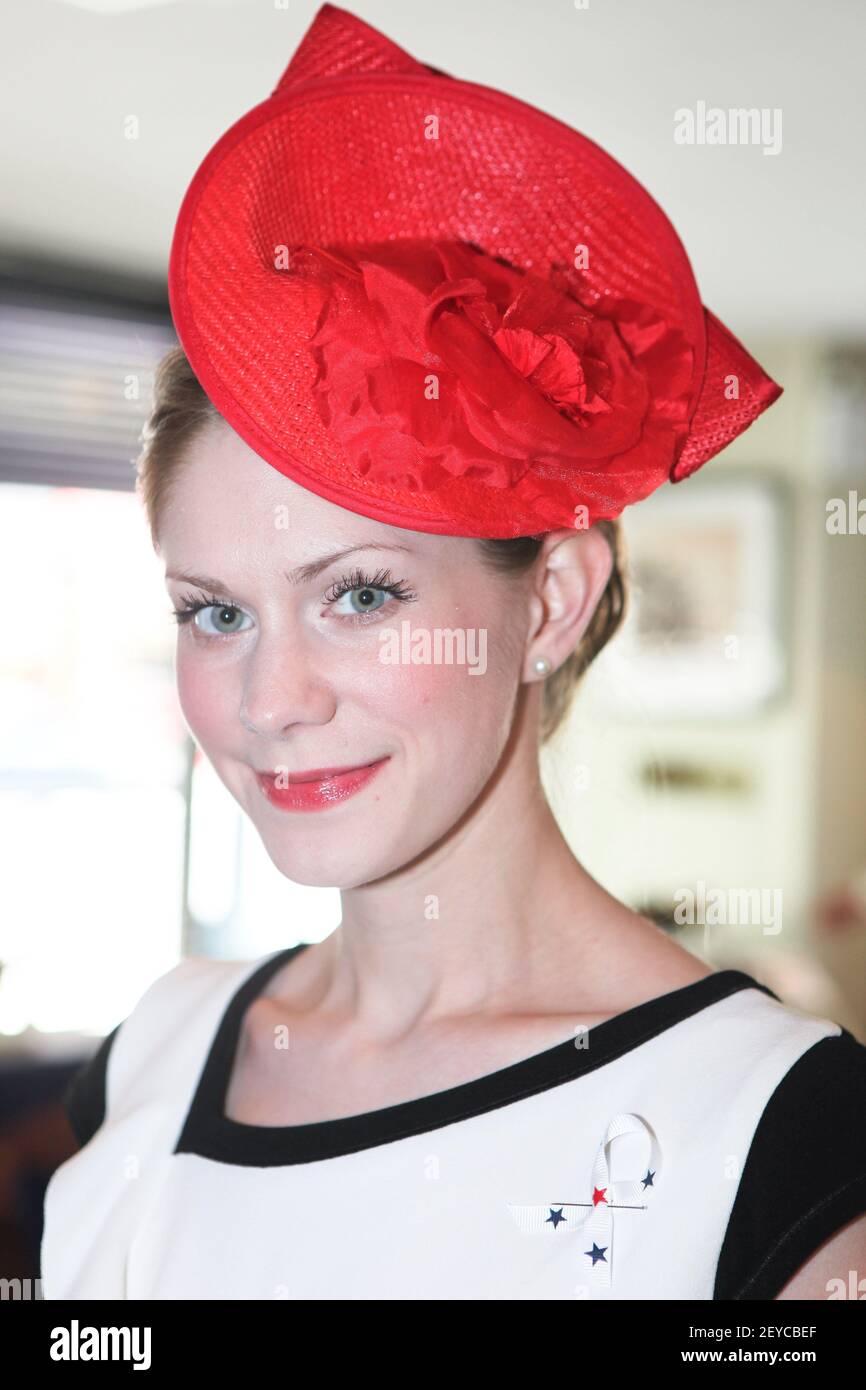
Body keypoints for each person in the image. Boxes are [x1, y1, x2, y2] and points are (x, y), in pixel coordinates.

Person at [41, 4, 866, 1300]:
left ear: (547, 604)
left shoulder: (784, 1144)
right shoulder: (154, 1052)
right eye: (216, 611)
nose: (269, 702)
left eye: (360, 595)